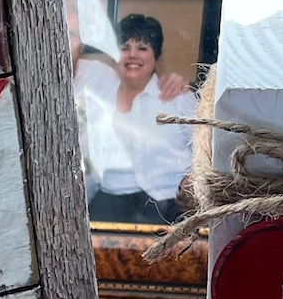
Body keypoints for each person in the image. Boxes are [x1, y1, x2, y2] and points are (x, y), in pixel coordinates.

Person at [72, 12, 197, 225]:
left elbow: (207, 150)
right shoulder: (98, 92)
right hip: (110, 201)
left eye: (142, 48)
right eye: (124, 48)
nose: (132, 55)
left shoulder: (178, 98)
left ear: (156, 57)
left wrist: (193, 181)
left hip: (167, 203)